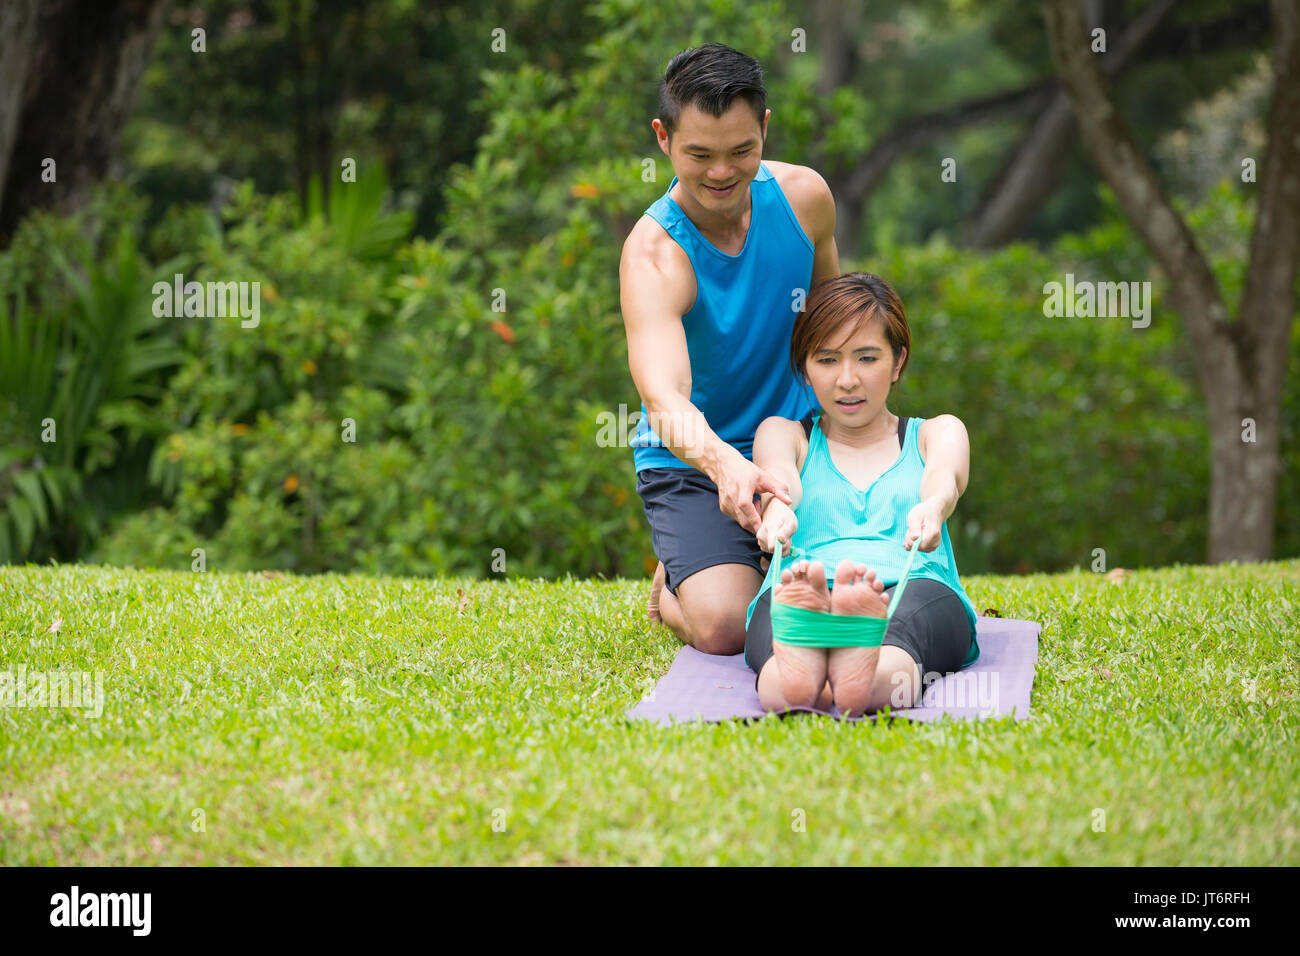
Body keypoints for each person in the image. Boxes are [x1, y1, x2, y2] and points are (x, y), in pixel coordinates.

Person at [621, 42, 840, 655]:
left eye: (742, 151)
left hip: (800, 444)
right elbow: (663, 397)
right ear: (663, 138)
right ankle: (672, 587)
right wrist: (726, 466)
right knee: (726, 629)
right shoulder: (654, 255)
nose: (721, 172)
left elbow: (831, 328)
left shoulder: (806, 200)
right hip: (692, 465)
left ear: (765, 129)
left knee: (849, 593)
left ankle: (723, 561)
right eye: (700, 154)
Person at [744, 272, 981, 716]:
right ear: (805, 370)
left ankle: (849, 662)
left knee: (892, 657)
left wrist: (932, 508)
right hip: (801, 585)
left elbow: (943, 478)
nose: (847, 380)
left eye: (867, 358)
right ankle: (818, 661)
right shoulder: (785, 434)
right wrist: (776, 511)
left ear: (897, 362)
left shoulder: (936, 432)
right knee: (777, 682)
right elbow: (778, 477)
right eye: (827, 360)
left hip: (909, 584)